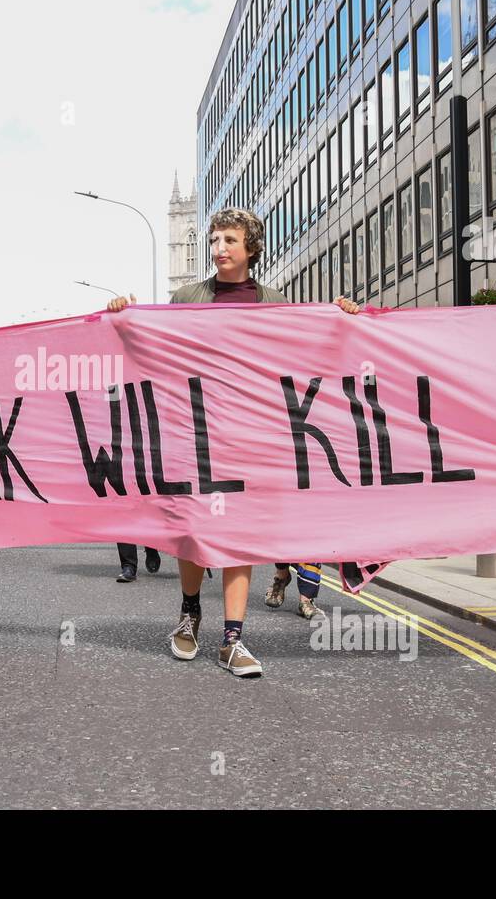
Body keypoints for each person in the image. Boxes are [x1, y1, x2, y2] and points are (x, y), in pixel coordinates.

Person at [107, 207, 359, 677]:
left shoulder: (274, 302)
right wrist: (125, 317)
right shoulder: (186, 298)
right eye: (215, 239)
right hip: (192, 430)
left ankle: (232, 640)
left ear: (251, 248)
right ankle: (189, 612)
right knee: (193, 531)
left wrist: (340, 318)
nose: (219, 248)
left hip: (249, 435)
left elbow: (309, 351)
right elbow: (148, 350)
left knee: (237, 537)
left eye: (229, 240)